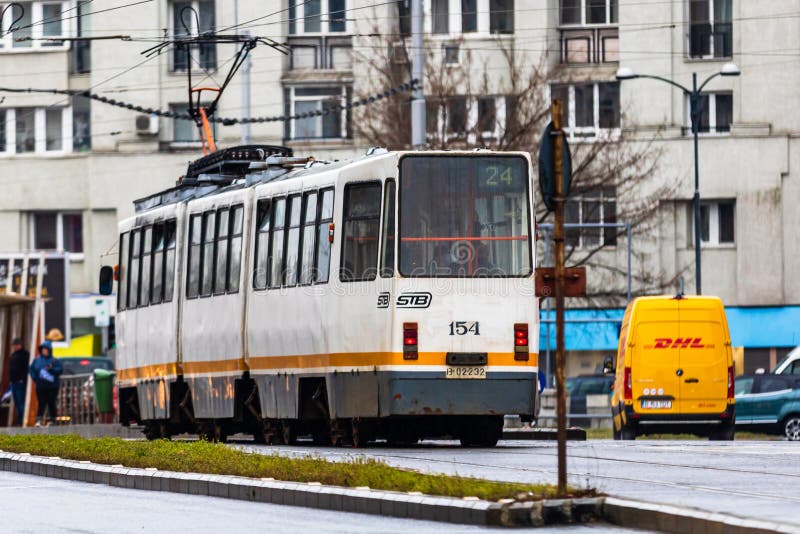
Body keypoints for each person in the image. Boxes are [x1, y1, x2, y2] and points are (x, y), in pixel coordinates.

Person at [29, 341, 62, 427]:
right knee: (41, 403)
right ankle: (39, 420)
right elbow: (31, 370)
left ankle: (53, 420)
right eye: (43, 349)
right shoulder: (37, 360)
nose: (44, 351)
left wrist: (51, 369)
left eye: (46, 349)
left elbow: (60, 370)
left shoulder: (55, 360)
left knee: (51, 402)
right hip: (41, 386)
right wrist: (35, 378)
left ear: (49, 350)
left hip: (52, 386)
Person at [8, 338, 29, 424]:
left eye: (16, 345)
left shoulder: (25, 354)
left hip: (20, 382)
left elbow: (26, 368)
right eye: (14, 345)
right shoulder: (13, 355)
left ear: (20, 345)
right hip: (13, 382)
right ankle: (20, 420)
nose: (15, 347)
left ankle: (22, 421)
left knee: (21, 403)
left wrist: (22, 379)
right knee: (17, 403)